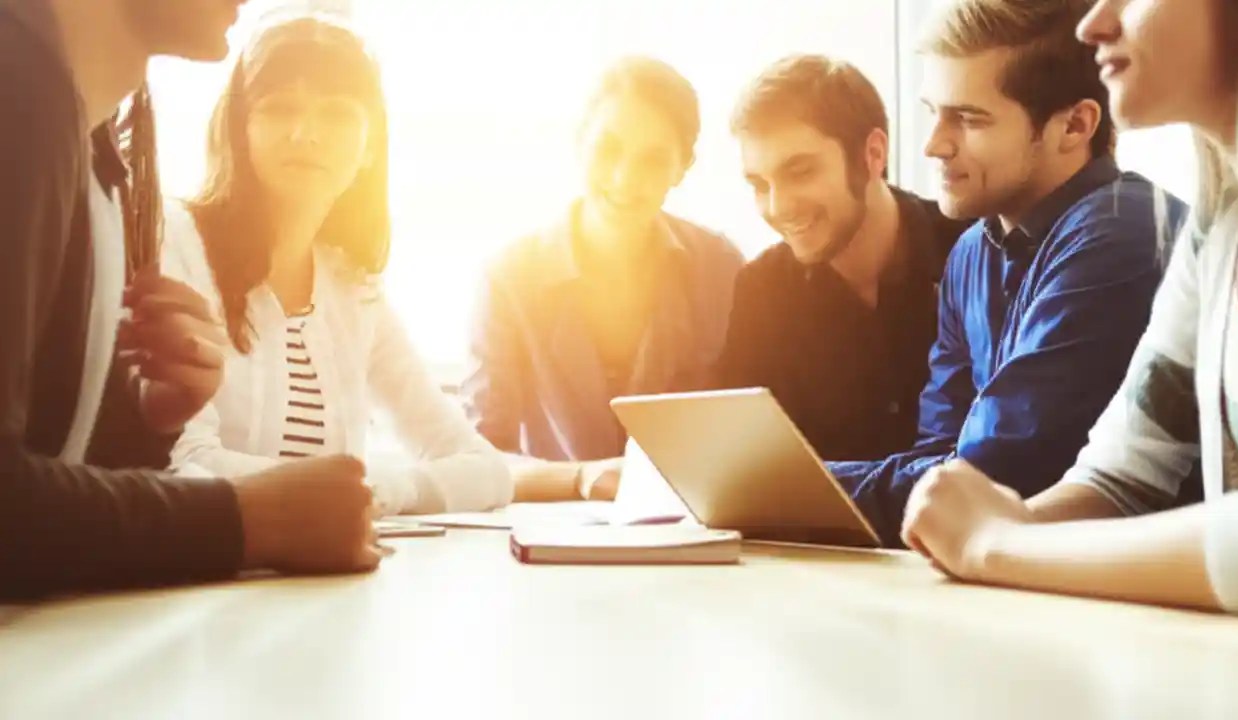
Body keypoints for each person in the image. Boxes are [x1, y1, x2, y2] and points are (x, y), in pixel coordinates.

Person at [903, 0, 1238, 615]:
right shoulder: (1222, 226)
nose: (1095, 24)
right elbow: (1121, 477)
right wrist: (993, 532)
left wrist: (993, 544)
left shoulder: (1120, 228)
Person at [0, 0, 379, 600]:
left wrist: (142, 425)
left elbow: (41, 471)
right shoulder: (18, 96)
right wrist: (250, 520)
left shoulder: (93, 140)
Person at [828, 0, 1188, 544]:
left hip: (1131, 593)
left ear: (1075, 126)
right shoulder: (970, 252)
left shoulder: (1122, 231)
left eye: (968, 119)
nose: (934, 145)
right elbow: (940, 461)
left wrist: (793, 490)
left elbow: (1000, 469)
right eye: (933, 112)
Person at [163, 15, 511, 517]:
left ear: (370, 147)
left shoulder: (351, 286)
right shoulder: (176, 241)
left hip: (323, 580)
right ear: (242, 129)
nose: (307, 134)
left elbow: (485, 470)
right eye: (281, 109)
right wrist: (341, 492)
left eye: (339, 115)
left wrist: (375, 492)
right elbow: (183, 464)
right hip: (204, 578)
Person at [462, 57, 744, 501]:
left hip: (688, 528)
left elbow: (745, 437)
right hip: (555, 529)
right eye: (608, 149)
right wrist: (583, 477)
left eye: (653, 159)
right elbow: (477, 460)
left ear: (683, 166)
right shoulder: (509, 277)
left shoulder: (720, 268)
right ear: (579, 144)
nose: (624, 178)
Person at [719, 55, 970, 460]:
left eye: (800, 172)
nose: (778, 206)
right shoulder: (760, 290)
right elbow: (737, 463)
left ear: (872, 154)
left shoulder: (974, 250)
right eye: (759, 184)